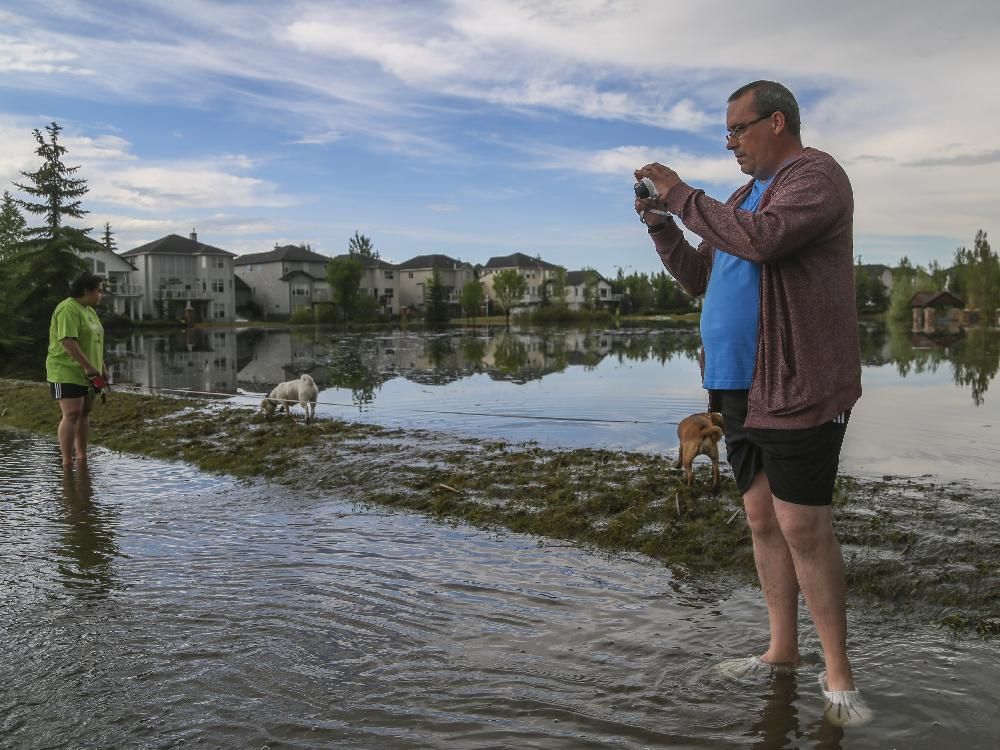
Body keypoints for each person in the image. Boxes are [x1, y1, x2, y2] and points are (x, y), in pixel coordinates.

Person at [633, 80, 869, 726]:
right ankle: (781, 650)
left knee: (803, 527)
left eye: (738, 128)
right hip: (735, 386)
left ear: (777, 122)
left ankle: (839, 676)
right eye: (727, 132)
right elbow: (699, 278)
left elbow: (765, 240)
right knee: (763, 519)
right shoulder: (740, 199)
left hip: (795, 381)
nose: (730, 141)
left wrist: (680, 195)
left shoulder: (815, 178)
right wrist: (661, 225)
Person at [46, 270, 109, 469]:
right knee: (72, 413)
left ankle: (82, 457)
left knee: (85, 412)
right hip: (65, 370)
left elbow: (94, 342)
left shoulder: (89, 311)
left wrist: (102, 368)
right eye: (98, 291)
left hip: (90, 372)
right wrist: (89, 367)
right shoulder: (68, 308)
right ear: (86, 290)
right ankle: (67, 462)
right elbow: (68, 342)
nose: (101, 295)